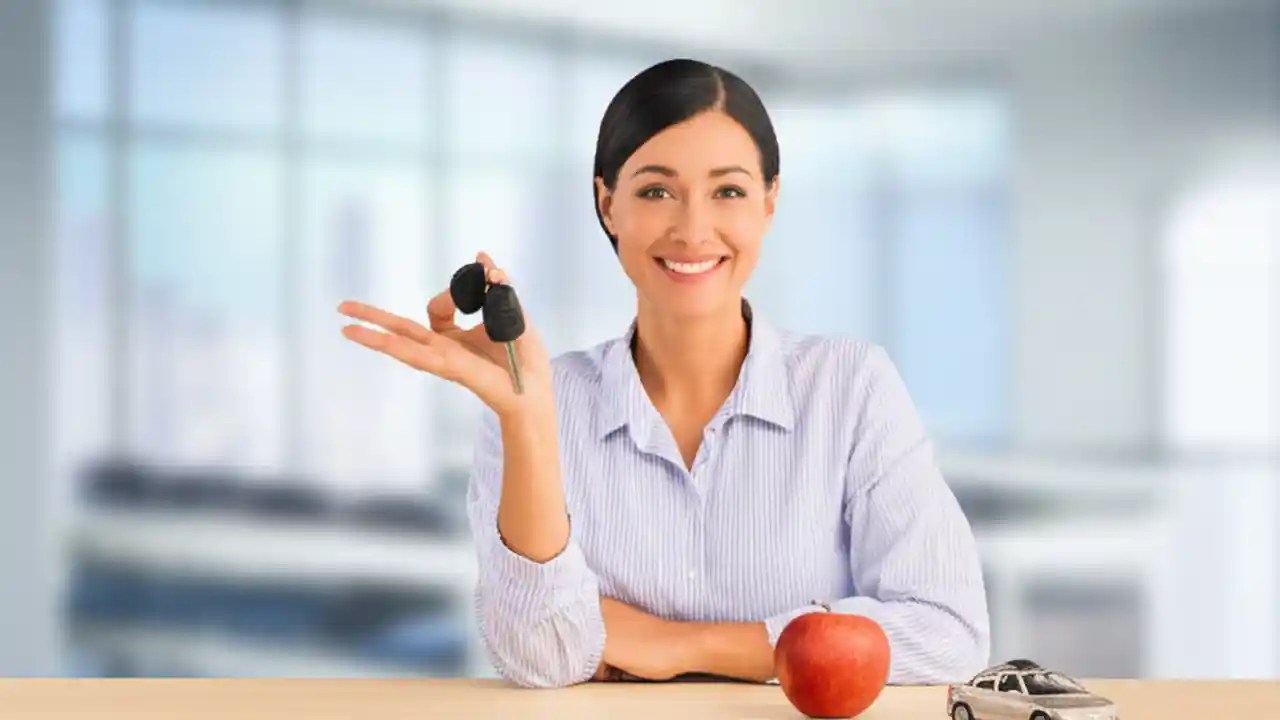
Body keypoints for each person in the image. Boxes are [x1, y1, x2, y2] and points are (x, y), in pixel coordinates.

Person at [338, 58, 990, 688]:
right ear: (608, 205)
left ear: (768, 203)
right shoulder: (538, 402)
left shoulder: (851, 388)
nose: (692, 228)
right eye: (655, 190)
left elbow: (947, 631)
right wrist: (526, 417)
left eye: (728, 191)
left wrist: (680, 645)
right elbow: (539, 656)